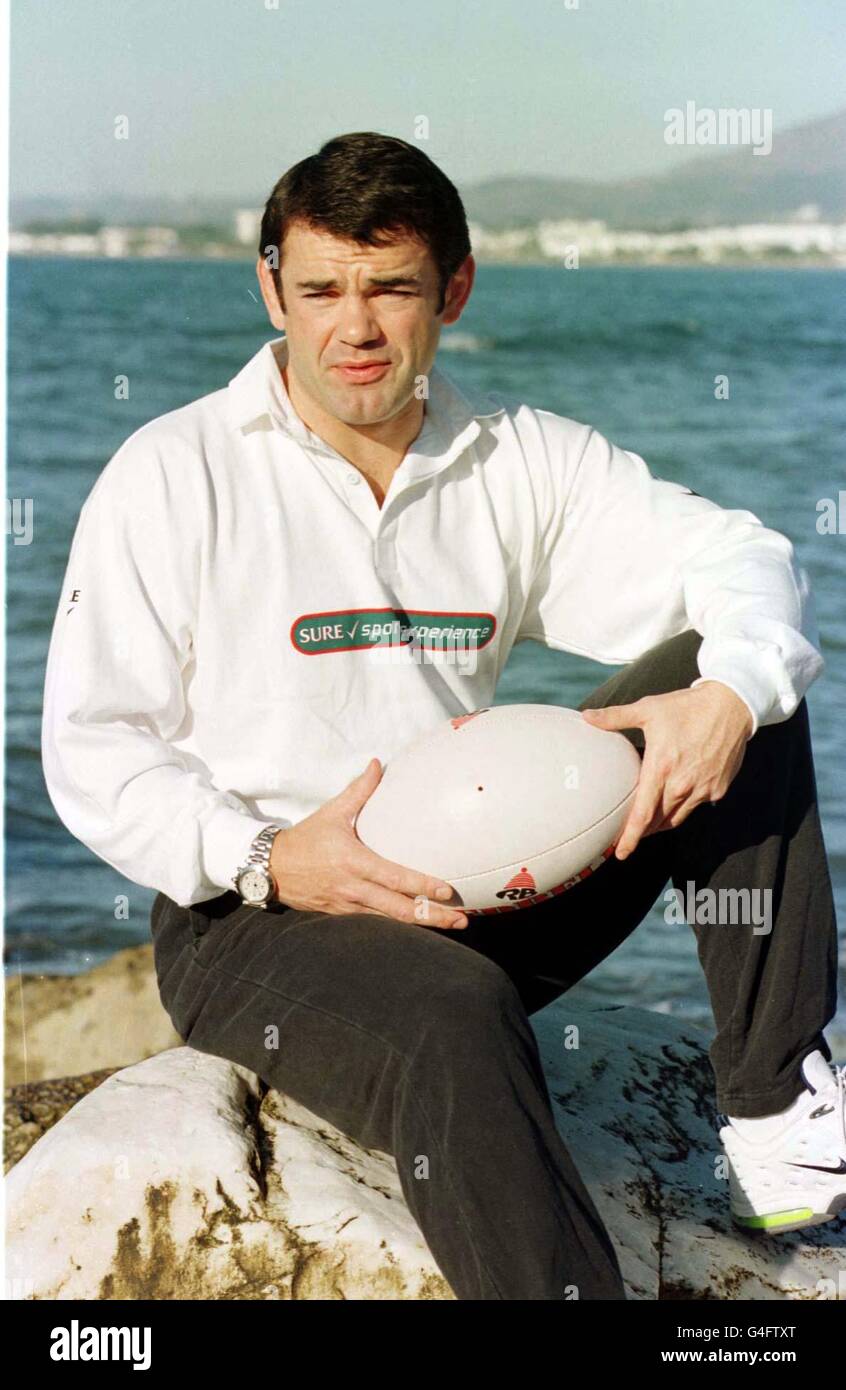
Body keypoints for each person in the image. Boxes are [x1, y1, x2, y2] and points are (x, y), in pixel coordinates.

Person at [41, 132, 843, 1300]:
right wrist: (266, 857)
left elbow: (740, 553)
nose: (352, 328)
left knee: (744, 687)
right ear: (271, 287)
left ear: (453, 289)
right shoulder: (174, 475)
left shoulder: (514, 460)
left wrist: (728, 695)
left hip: (477, 894)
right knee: (455, 1013)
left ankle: (777, 1121)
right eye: (318, 289)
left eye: (391, 287)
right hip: (258, 924)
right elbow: (92, 746)